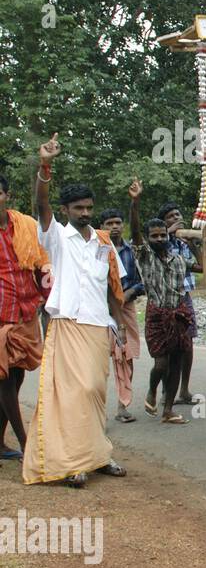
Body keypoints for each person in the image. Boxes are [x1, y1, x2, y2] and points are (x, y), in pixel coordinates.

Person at [23, 134, 129, 487]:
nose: (85, 213)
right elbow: (41, 206)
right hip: (67, 322)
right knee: (75, 393)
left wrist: (121, 325)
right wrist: (45, 166)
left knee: (97, 391)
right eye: (78, 208)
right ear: (66, 211)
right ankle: (72, 462)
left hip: (100, 325)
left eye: (88, 207)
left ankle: (98, 456)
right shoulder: (55, 236)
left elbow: (111, 285)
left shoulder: (103, 240)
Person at [129, 179, 195, 425]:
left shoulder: (178, 258)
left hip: (179, 314)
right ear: (148, 238)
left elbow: (200, 266)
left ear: (168, 235)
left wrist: (195, 244)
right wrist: (135, 203)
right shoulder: (145, 256)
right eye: (154, 236)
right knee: (161, 363)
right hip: (157, 315)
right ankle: (152, 388)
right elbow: (135, 232)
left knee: (177, 362)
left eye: (162, 235)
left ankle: (168, 410)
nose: (158, 239)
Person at [0, 173, 51, 458]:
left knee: (17, 379)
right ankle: (24, 441)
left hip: (27, 312)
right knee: (5, 379)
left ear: (7, 196)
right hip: (1, 317)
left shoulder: (26, 226)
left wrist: (49, 300)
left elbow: (41, 266)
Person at [100, 207, 144, 425]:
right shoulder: (98, 248)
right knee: (99, 358)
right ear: (102, 227)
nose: (114, 227)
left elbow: (139, 282)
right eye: (109, 223)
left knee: (127, 355)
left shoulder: (130, 250)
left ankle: (122, 406)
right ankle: (96, 410)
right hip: (100, 309)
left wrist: (124, 295)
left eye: (117, 222)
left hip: (125, 308)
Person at [156, 199, 202, 407]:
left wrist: (193, 244)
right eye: (171, 217)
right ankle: (167, 391)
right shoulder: (158, 242)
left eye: (177, 215)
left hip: (184, 298)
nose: (177, 219)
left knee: (187, 345)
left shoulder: (184, 244)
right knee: (168, 347)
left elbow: (201, 267)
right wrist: (167, 234)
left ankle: (183, 389)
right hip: (165, 299)